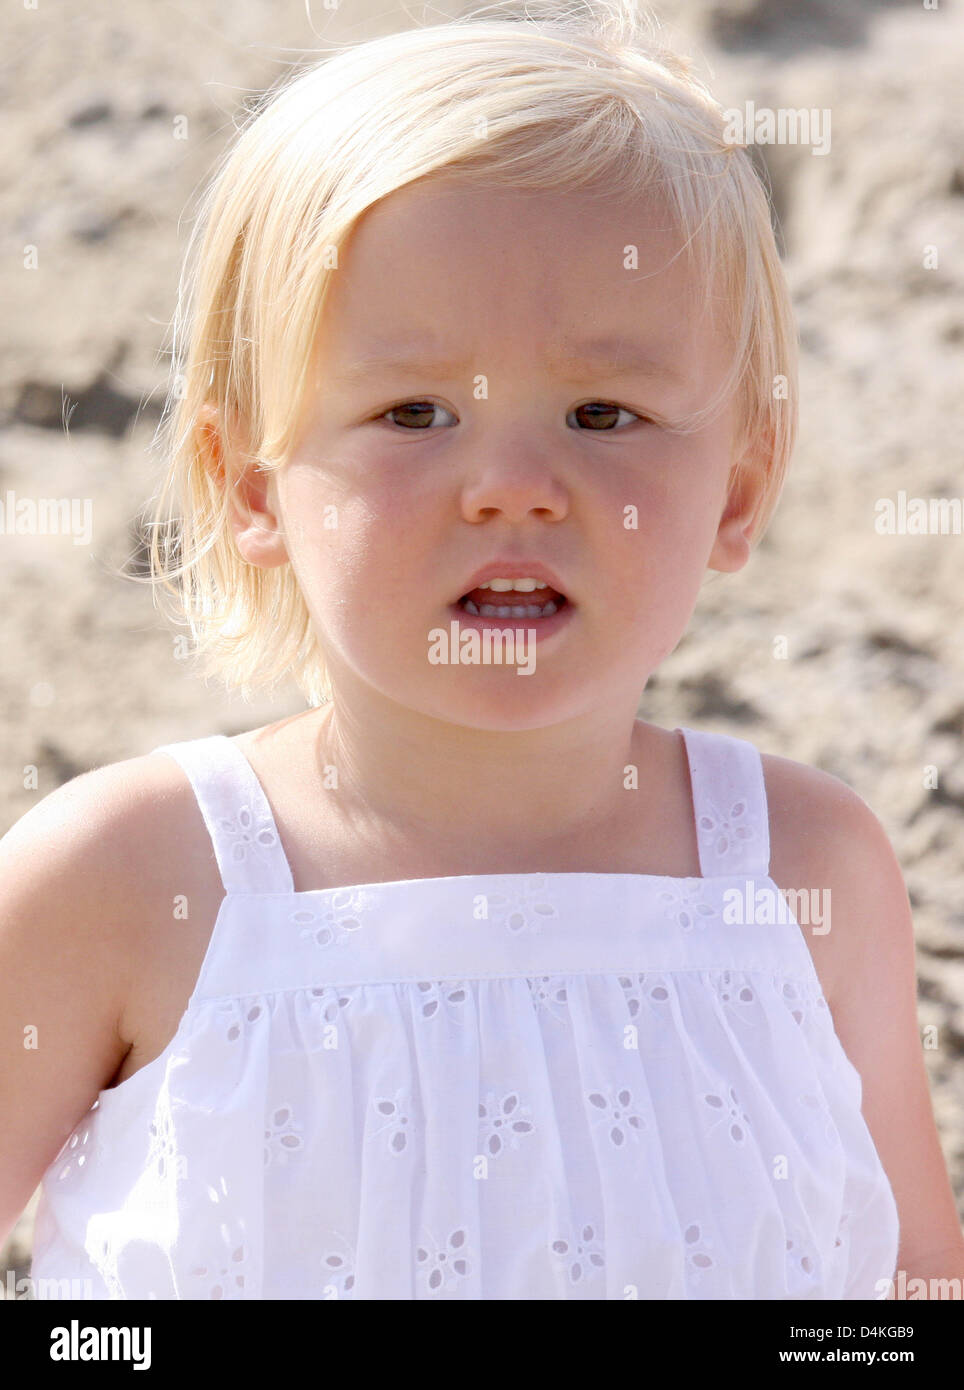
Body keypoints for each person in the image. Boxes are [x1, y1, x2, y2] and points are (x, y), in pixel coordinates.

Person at [2, 0, 962, 1299]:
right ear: (251, 485)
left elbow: (903, 1282)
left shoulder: (806, 871)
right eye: (414, 411)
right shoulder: (125, 881)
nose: (514, 484)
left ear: (738, 488)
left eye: (603, 410)